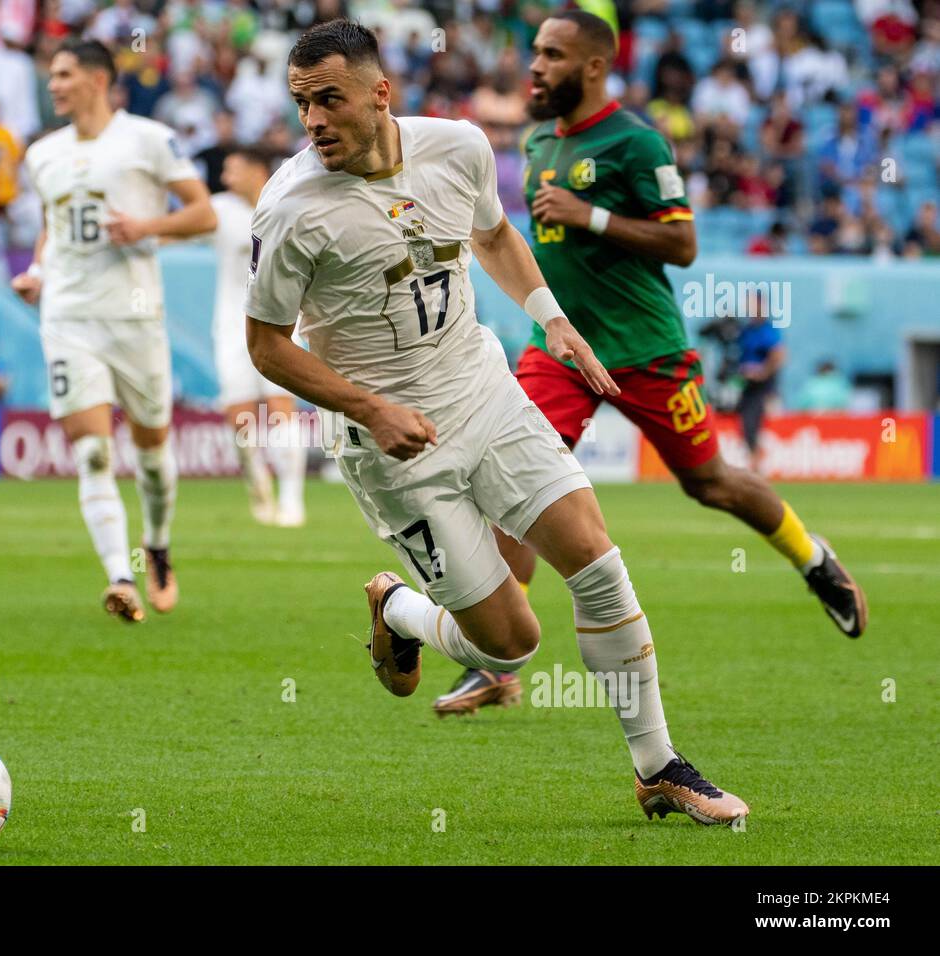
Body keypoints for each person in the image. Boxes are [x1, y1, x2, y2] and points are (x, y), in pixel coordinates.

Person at [245, 19, 748, 825]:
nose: (313, 121)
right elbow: (266, 347)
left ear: (380, 94)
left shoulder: (460, 147)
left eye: (329, 100)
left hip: (482, 391)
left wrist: (551, 318)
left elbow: (493, 233)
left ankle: (658, 767)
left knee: (596, 558)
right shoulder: (290, 208)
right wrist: (370, 407)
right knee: (511, 643)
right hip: (392, 445)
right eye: (302, 103)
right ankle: (399, 609)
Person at [465, 12, 865, 724]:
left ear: (592, 66)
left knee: (709, 483)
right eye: (534, 52)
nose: (534, 66)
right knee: (516, 488)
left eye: (551, 55)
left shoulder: (636, 141)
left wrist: (589, 216)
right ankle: (496, 662)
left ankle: (815, 562)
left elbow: (681, 244)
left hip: (645, 348)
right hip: (558, 349)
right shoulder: (533, 144)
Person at [11, 39, 217, 623]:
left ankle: (156, 545)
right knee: (94, 454)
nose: (53, 85)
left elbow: (202, 213)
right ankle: (119, 577)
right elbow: (52, 227)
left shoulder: (147, 140)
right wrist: (36, 271)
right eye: (51, 75)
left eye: (64, 74)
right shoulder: (42, 154)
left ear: (98, 80)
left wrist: (146, 226)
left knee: (152, 453)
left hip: (134, 315)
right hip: (68, 317)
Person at [207, 146, 307, 527]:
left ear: (256, 170)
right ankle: (257, 480)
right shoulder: (219, 210)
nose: (226, 178)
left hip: (282, 319)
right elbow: (185, 223)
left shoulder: (287, 202)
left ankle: (292, 502)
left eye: (233, 169)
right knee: (240, 419)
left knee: (281, 408)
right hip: (232, 325)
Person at [736, 307, 785, 464]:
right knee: (746, 424)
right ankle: (753, 460)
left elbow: (779, 354)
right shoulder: (746, 330)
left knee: (754, 423)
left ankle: (756, 462)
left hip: (763, 387)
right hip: (747, 386)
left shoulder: (768, 331)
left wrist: (762, 372)